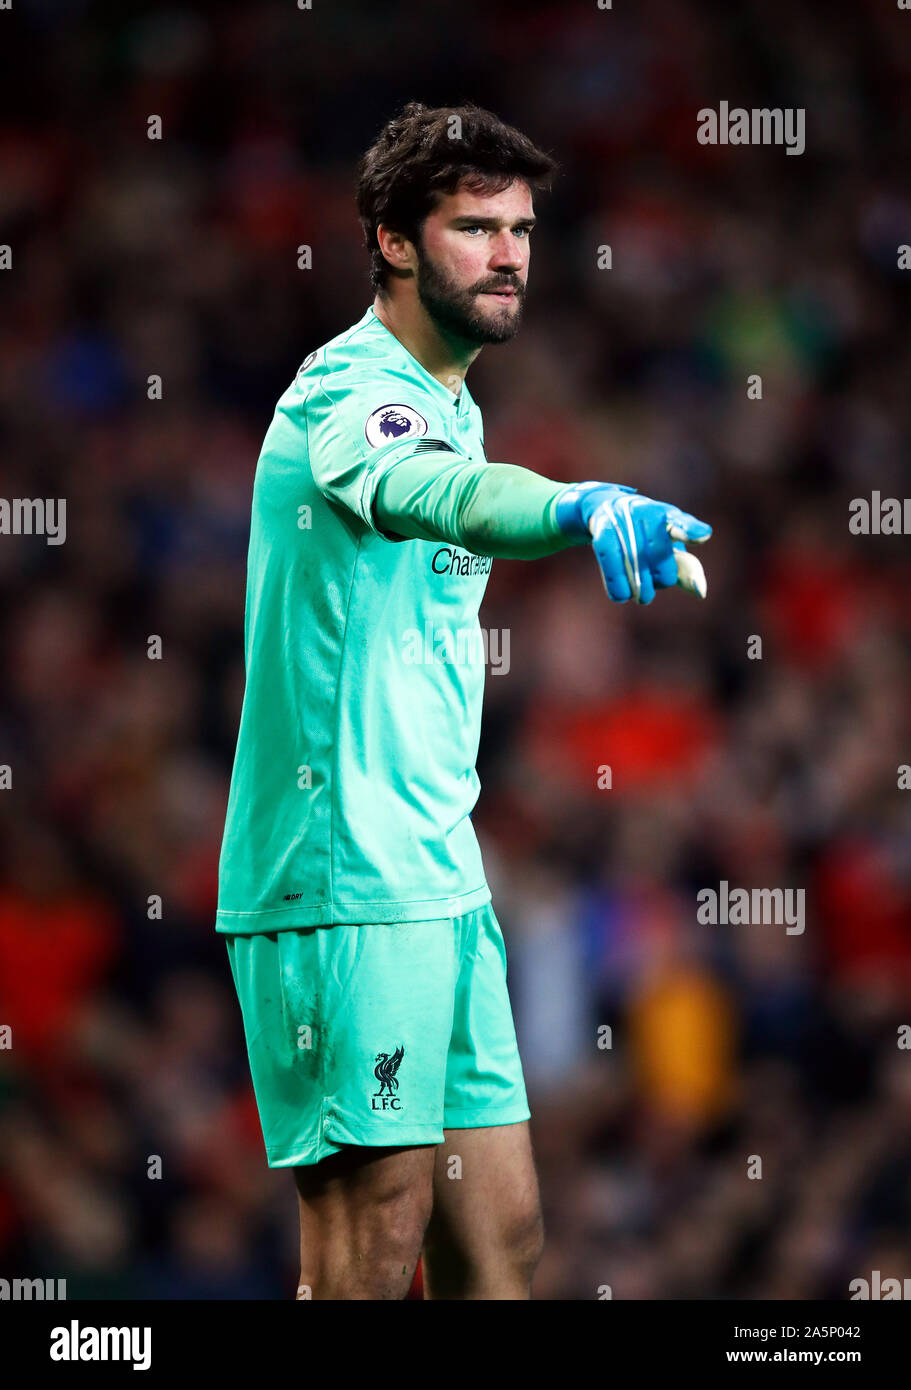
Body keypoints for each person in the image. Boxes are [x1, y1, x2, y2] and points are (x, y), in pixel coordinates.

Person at [216, 100, 711, 1300]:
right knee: (368, 1245)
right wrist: (573, 505)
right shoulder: (346, 393)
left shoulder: (451, 397)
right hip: (340, 880)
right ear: (390, 239)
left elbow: (451, 469)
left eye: (521, 230)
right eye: (472, 228)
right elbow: (435, 493)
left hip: (440, 877)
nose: (507, 255)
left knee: (501, 1242)